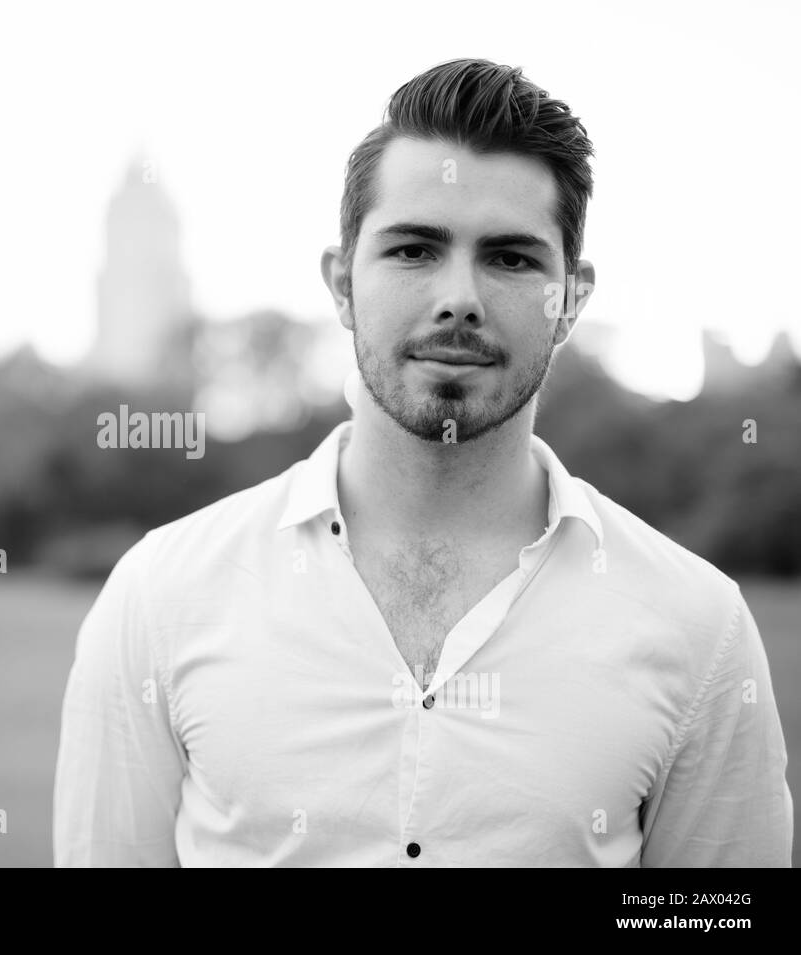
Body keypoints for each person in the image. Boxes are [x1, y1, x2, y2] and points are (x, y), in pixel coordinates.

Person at [52, 58, 793, 866]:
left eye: (511, 258)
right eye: (413, 249)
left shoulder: (697, 626)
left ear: (571, 299)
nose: (459, 297)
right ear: (342, 283)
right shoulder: (162, 594)